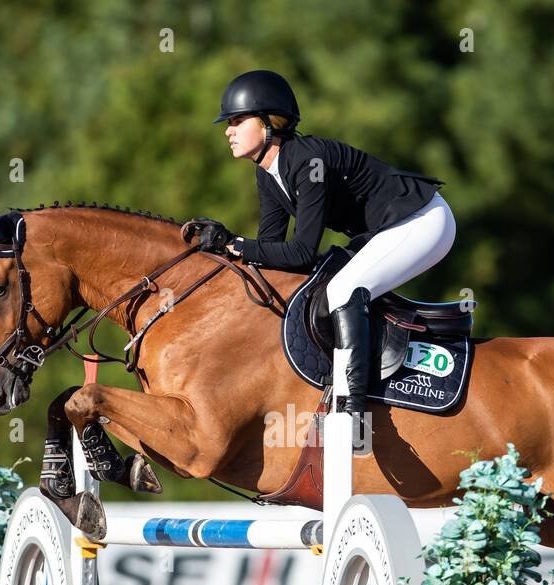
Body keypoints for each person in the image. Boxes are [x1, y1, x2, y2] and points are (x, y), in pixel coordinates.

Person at [185, 69, 456, 444]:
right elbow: (272, 253)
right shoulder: (267, 173)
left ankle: (352, 414)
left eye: (236, 120)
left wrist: (236, 243)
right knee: (332, 286)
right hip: (389, 229)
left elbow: (299, 253)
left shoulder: (308, 160)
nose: (227, 130)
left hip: (422, 220)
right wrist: (230, 251)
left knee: (343, 289)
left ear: (268, 123)